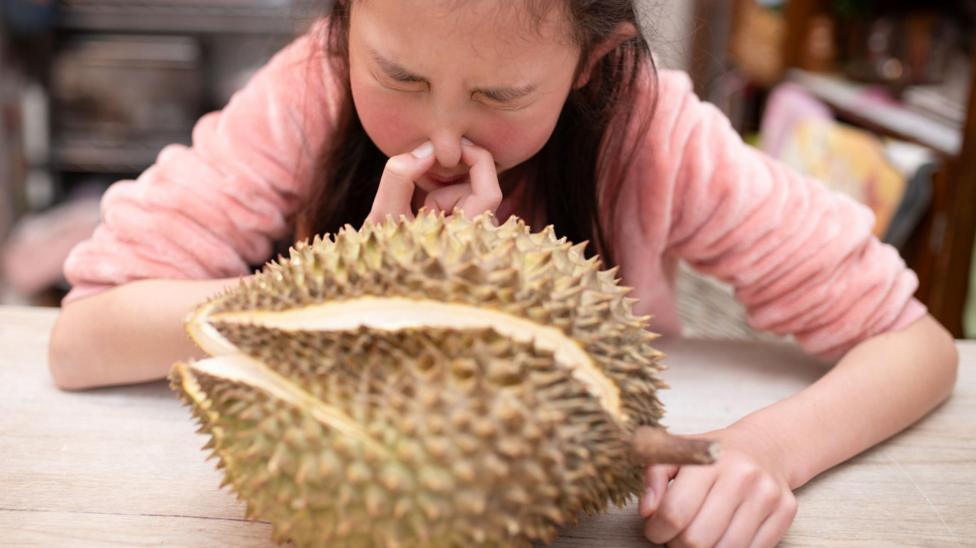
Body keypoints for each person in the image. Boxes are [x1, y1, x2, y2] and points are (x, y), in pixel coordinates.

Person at [47, 1, 959, 546]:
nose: (442, 136)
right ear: (345, 21)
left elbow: (913, 343)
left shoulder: (653, 136)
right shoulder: (307, 91)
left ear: (589, 62)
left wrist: (771, 449)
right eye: (396, 77)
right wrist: (345, 296)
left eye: (499, 96)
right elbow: (82, 338)